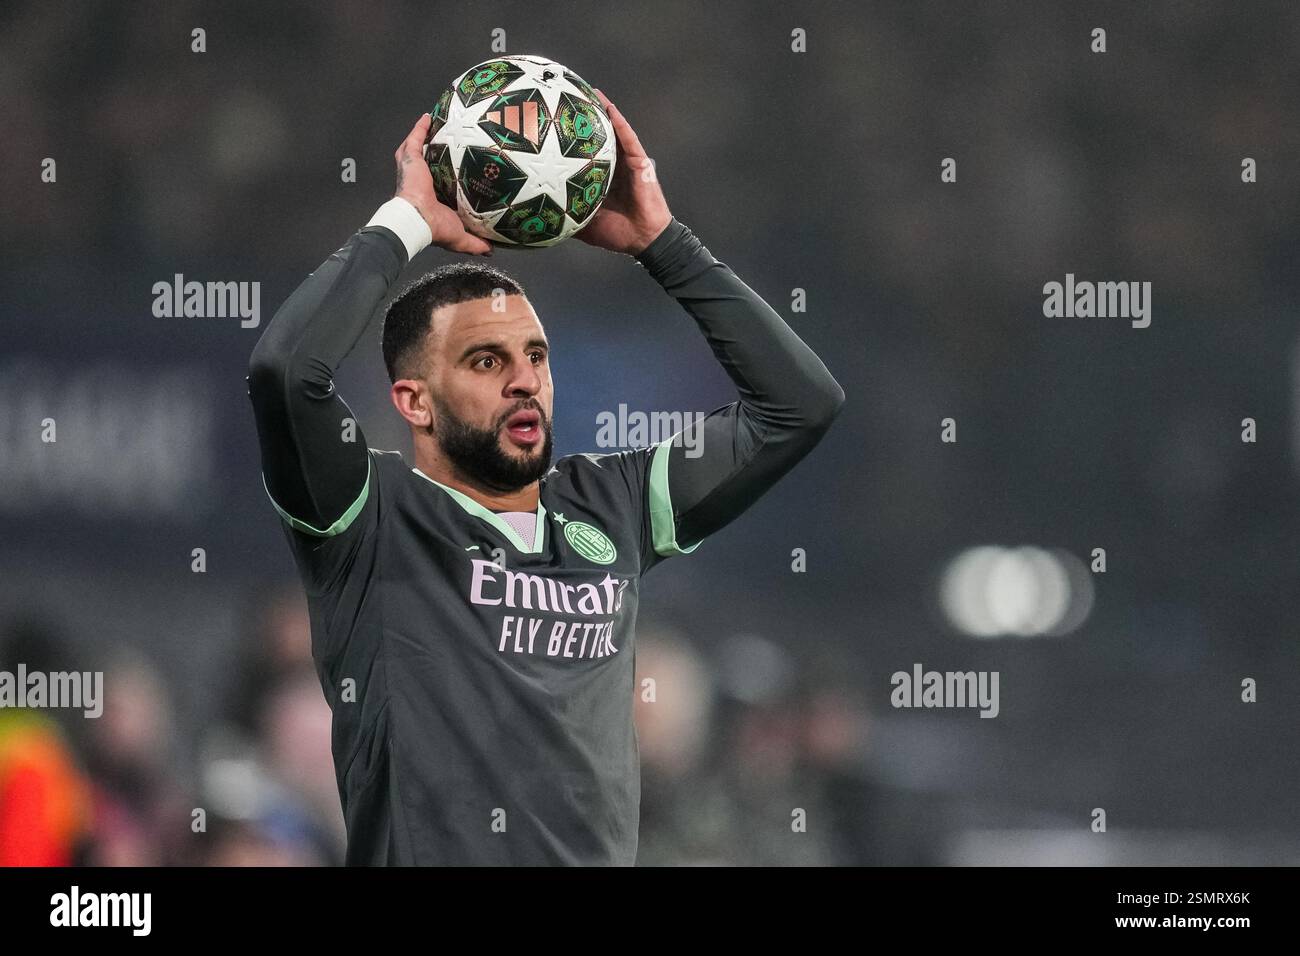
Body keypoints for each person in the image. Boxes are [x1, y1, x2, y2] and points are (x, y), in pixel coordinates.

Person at [246, 88, 844, 865]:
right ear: (413, 402)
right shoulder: (369, 517)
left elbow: (800, 405)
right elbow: (287, 372)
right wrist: (406, 224)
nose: (524, 381)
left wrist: (662, 243)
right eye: (486, 361)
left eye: (536, 357)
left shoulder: (613, 503)